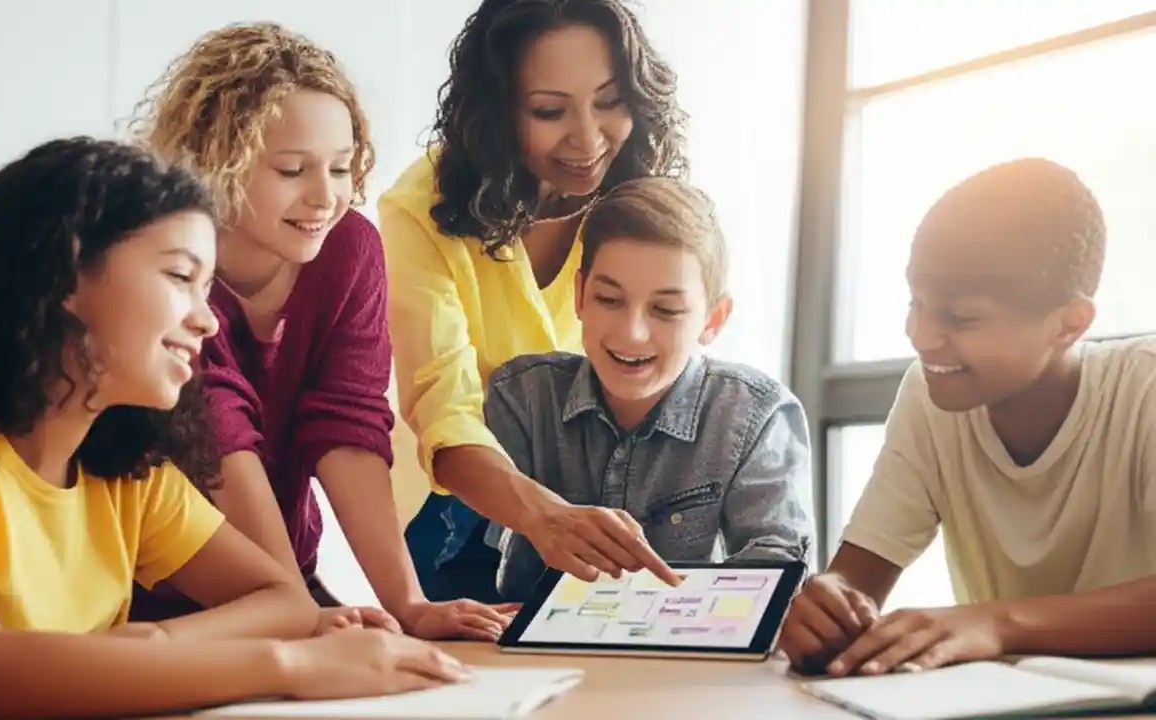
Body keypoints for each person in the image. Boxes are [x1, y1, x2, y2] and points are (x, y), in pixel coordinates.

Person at [0, 138, 465, 720]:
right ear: (63, 278)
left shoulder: (126, 471)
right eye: (180, 277)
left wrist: (151, 644)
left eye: (207, 289)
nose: (208, 321)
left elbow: (283, 599)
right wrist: (287, 666)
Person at [130, 22, 511, 640]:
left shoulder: (350, 249)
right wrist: (293, 611)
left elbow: (348, 423)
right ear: (216, 165)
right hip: (154, 590)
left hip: (285, 577)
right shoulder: (167, 263)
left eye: (340, 168)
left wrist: (408, 604)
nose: (325, 197)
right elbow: (218, 438)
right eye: (291, 170)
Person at [779, 158, 1156, 677]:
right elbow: (855, 582)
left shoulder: (1144, 388)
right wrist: (826, 607)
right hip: (1016, 702)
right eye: (917, 304)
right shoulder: (930, 395)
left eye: (962, 317)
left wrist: (1000, 623)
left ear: (1069, 324)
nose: (921, 336)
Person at [380, 0, 691, 601]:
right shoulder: (420, 209)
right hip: (463, 507)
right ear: (497, 113)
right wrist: (542, 515)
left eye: (609, 101)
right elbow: (444, 410)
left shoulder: (640, 196)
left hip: (607, 478)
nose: (589, 138)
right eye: (549, 111)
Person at [484, 177, 813, 599]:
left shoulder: (756, 415)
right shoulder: (522, 399)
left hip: (687, 640)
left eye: (666, 310)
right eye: (609, 300)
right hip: (529, 639)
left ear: (713, 319)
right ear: (580, 295)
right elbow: (470, 560)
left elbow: (775, 576)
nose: (632, 333)